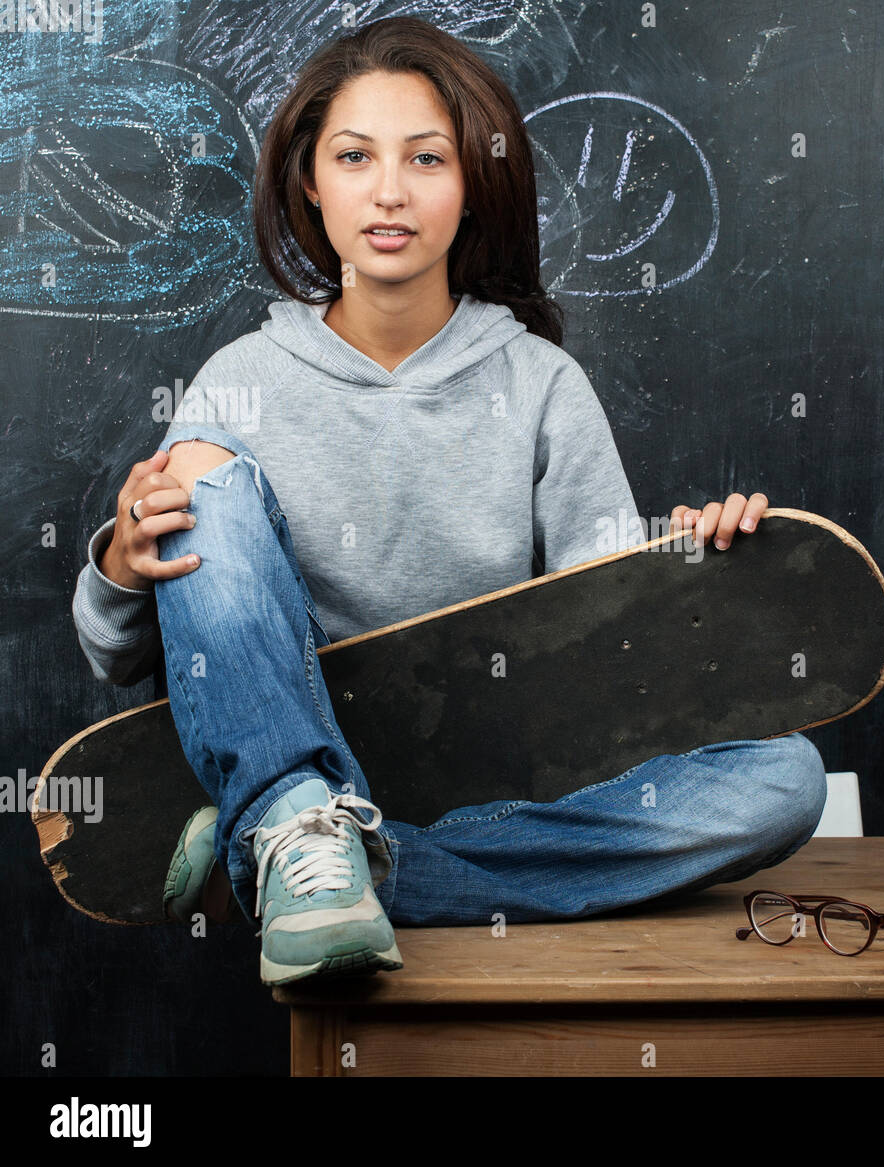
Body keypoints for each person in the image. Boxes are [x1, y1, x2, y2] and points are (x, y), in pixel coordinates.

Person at [71, 16, 827, 987]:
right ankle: (297, 815)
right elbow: (116, 653)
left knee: (782, 780)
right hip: (298, 743)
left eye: (426, 158)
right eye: (354, 157)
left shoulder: (541, 384)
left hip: (510, 786)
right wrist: (119, 568)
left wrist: (682, 583)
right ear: (310, 180)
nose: (389, 190)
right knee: (203, 474)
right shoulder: (237, 385)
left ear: (471, 184)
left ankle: (302, 864)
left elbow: (605, 650)